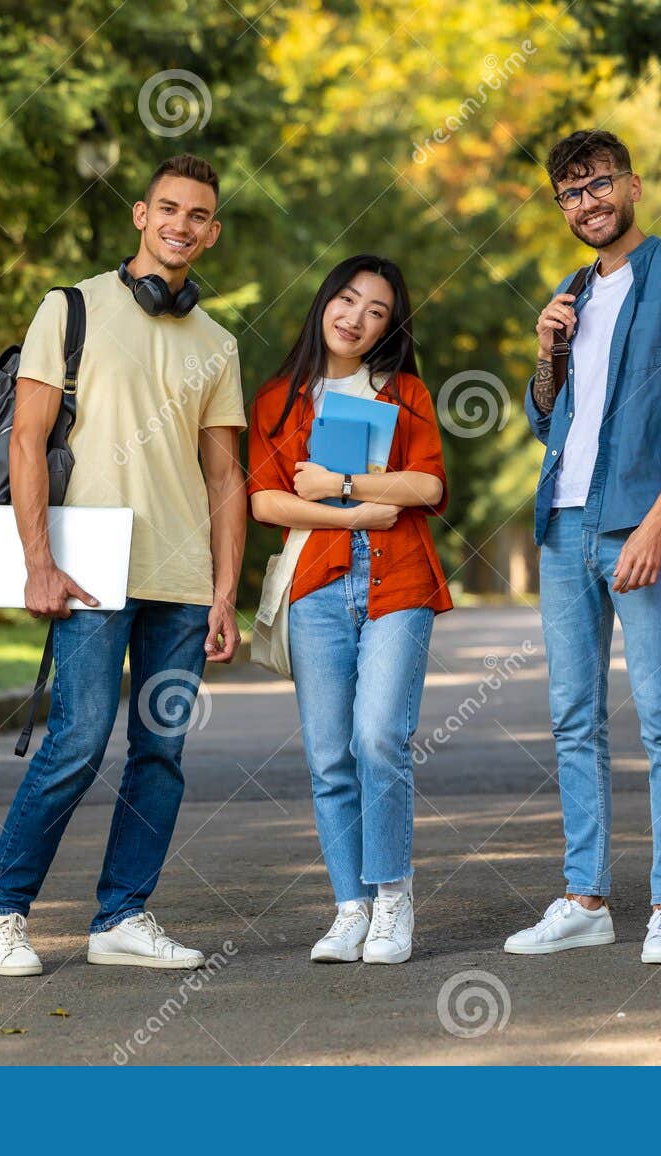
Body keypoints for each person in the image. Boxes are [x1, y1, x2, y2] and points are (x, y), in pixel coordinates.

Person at [0, 154, 247, 976]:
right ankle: (2, 911)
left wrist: (225, 590)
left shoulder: (219, 342)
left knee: (161, 752)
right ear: (140, 213)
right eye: (169, 209)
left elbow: (226, 475)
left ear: (213, 232)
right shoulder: (71, 308)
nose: (182, 225)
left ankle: (122, 917)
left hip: (182, 582)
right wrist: (36, 562)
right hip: (90, 566)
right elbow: (26, 439)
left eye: (198, 216)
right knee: (79, 742)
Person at [510, 129, 661, 965]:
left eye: (598, 184)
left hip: (640, 526)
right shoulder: (571, 293)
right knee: (573, 718)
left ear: (631, 186)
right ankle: (585, 897)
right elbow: (545, 422)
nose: (586, 202)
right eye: (570, 192)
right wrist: (545, 352)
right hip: (564, 527)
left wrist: (656, 523)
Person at [247, 255, 451, 965]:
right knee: (328, 754)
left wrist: (340, 481)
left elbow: (425, 488)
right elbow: (265, 501)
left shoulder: (407, 394)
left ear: (390, 327)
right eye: (347, 298)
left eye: (376, 310)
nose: (356, 317)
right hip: (315, 585)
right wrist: (361, 513)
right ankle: (349, 908)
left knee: (378, 738)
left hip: (399, 582)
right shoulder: (278, 400)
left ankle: (393, 898)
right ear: (324, 302)